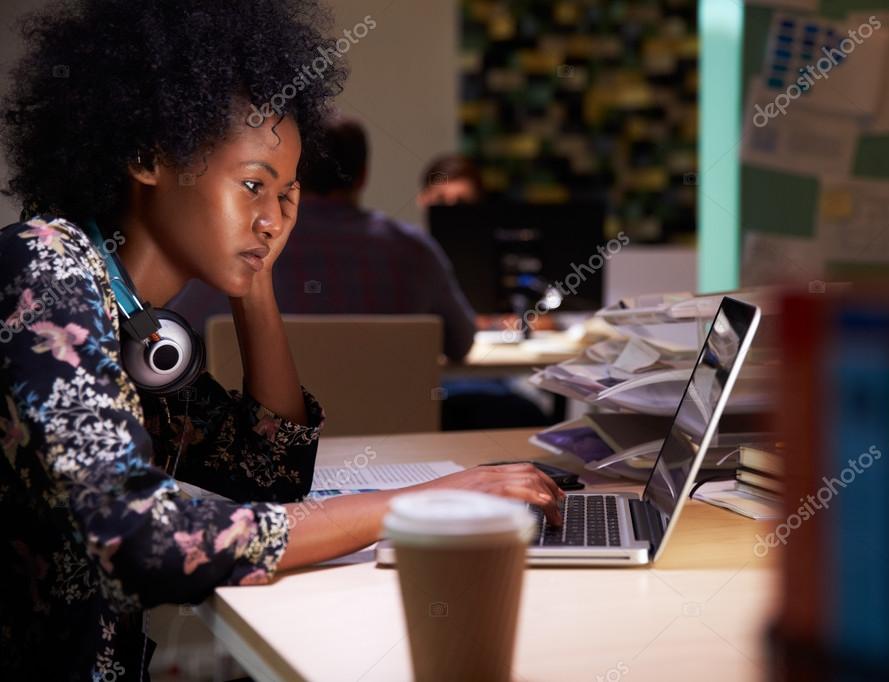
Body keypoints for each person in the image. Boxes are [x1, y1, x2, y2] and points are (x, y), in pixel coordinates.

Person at [0, 2, 562, 679]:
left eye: (288, 197)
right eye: (252, 186)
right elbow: (139, 536)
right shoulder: (47, 269)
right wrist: (416, 504)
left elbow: (268, 474)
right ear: (146, 156)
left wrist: (253, 286)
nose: (271, 221)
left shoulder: (136, 318)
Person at [170, 116, 478, 361]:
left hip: (268, 437)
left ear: (293, 171)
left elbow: (171, 332)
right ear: (363, 176)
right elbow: (461, 343)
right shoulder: (416, 252)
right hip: (397, 438)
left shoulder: (241, 253)